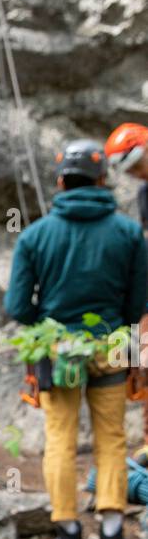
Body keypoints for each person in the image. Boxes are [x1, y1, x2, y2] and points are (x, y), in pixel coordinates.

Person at [4, 139, 147, 539]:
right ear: (103, 180)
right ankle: (109, 537)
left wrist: (46, 320)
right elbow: (139, 301)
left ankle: (67, 535)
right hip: (112, 343)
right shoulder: (129, 233)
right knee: (112, 439)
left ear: (62, 180)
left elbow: (17, 307)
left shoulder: (35, 235)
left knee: (61, 440)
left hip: (56, 349)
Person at [105, 122, 148, 461]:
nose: (135, 173)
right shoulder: (144, 194)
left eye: (137, 164)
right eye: (129, 169)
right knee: (141, 358)